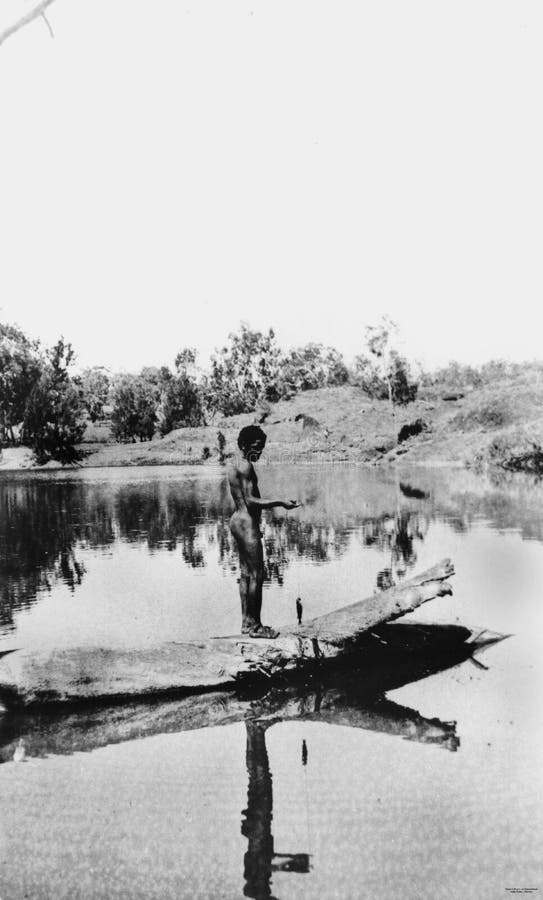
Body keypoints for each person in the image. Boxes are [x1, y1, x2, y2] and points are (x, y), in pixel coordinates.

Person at [228, 425, 299, 638]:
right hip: (247, 523)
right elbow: (250, 500)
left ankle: (246, 624)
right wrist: (280, 502)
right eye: (257, 447)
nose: (259, 452)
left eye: (262, 448)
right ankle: (256, 627)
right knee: (257, 575)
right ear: (244, 445)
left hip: (236, 520)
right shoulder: (246, 466)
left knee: (245, 574)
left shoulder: (234, 462)